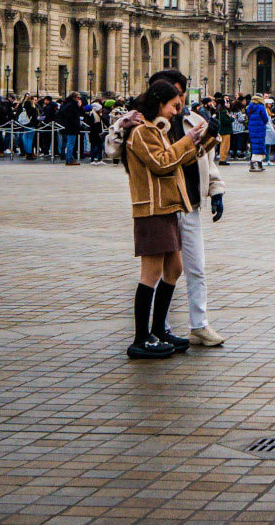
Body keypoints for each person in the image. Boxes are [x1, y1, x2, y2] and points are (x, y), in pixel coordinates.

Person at [122, 77, 205, 360]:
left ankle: (159, 329)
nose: (175, 111)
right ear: (159, 103)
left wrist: (197, 143)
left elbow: (174, 159)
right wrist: (185, 142)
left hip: (167, 207)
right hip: (152, 210)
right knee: (151, 274)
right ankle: (141, 338)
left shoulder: (157, 131)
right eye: (173, 105)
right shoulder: (142, 133)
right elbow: (160, 164)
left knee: (174, 268)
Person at [246, 94, 269, 171]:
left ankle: (257, 164)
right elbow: (265, 118)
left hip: (252, 128)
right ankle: (256, 163)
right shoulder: (261, 107)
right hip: (260, 128)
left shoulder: (250, 107)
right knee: (260, 145)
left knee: (254, 145)